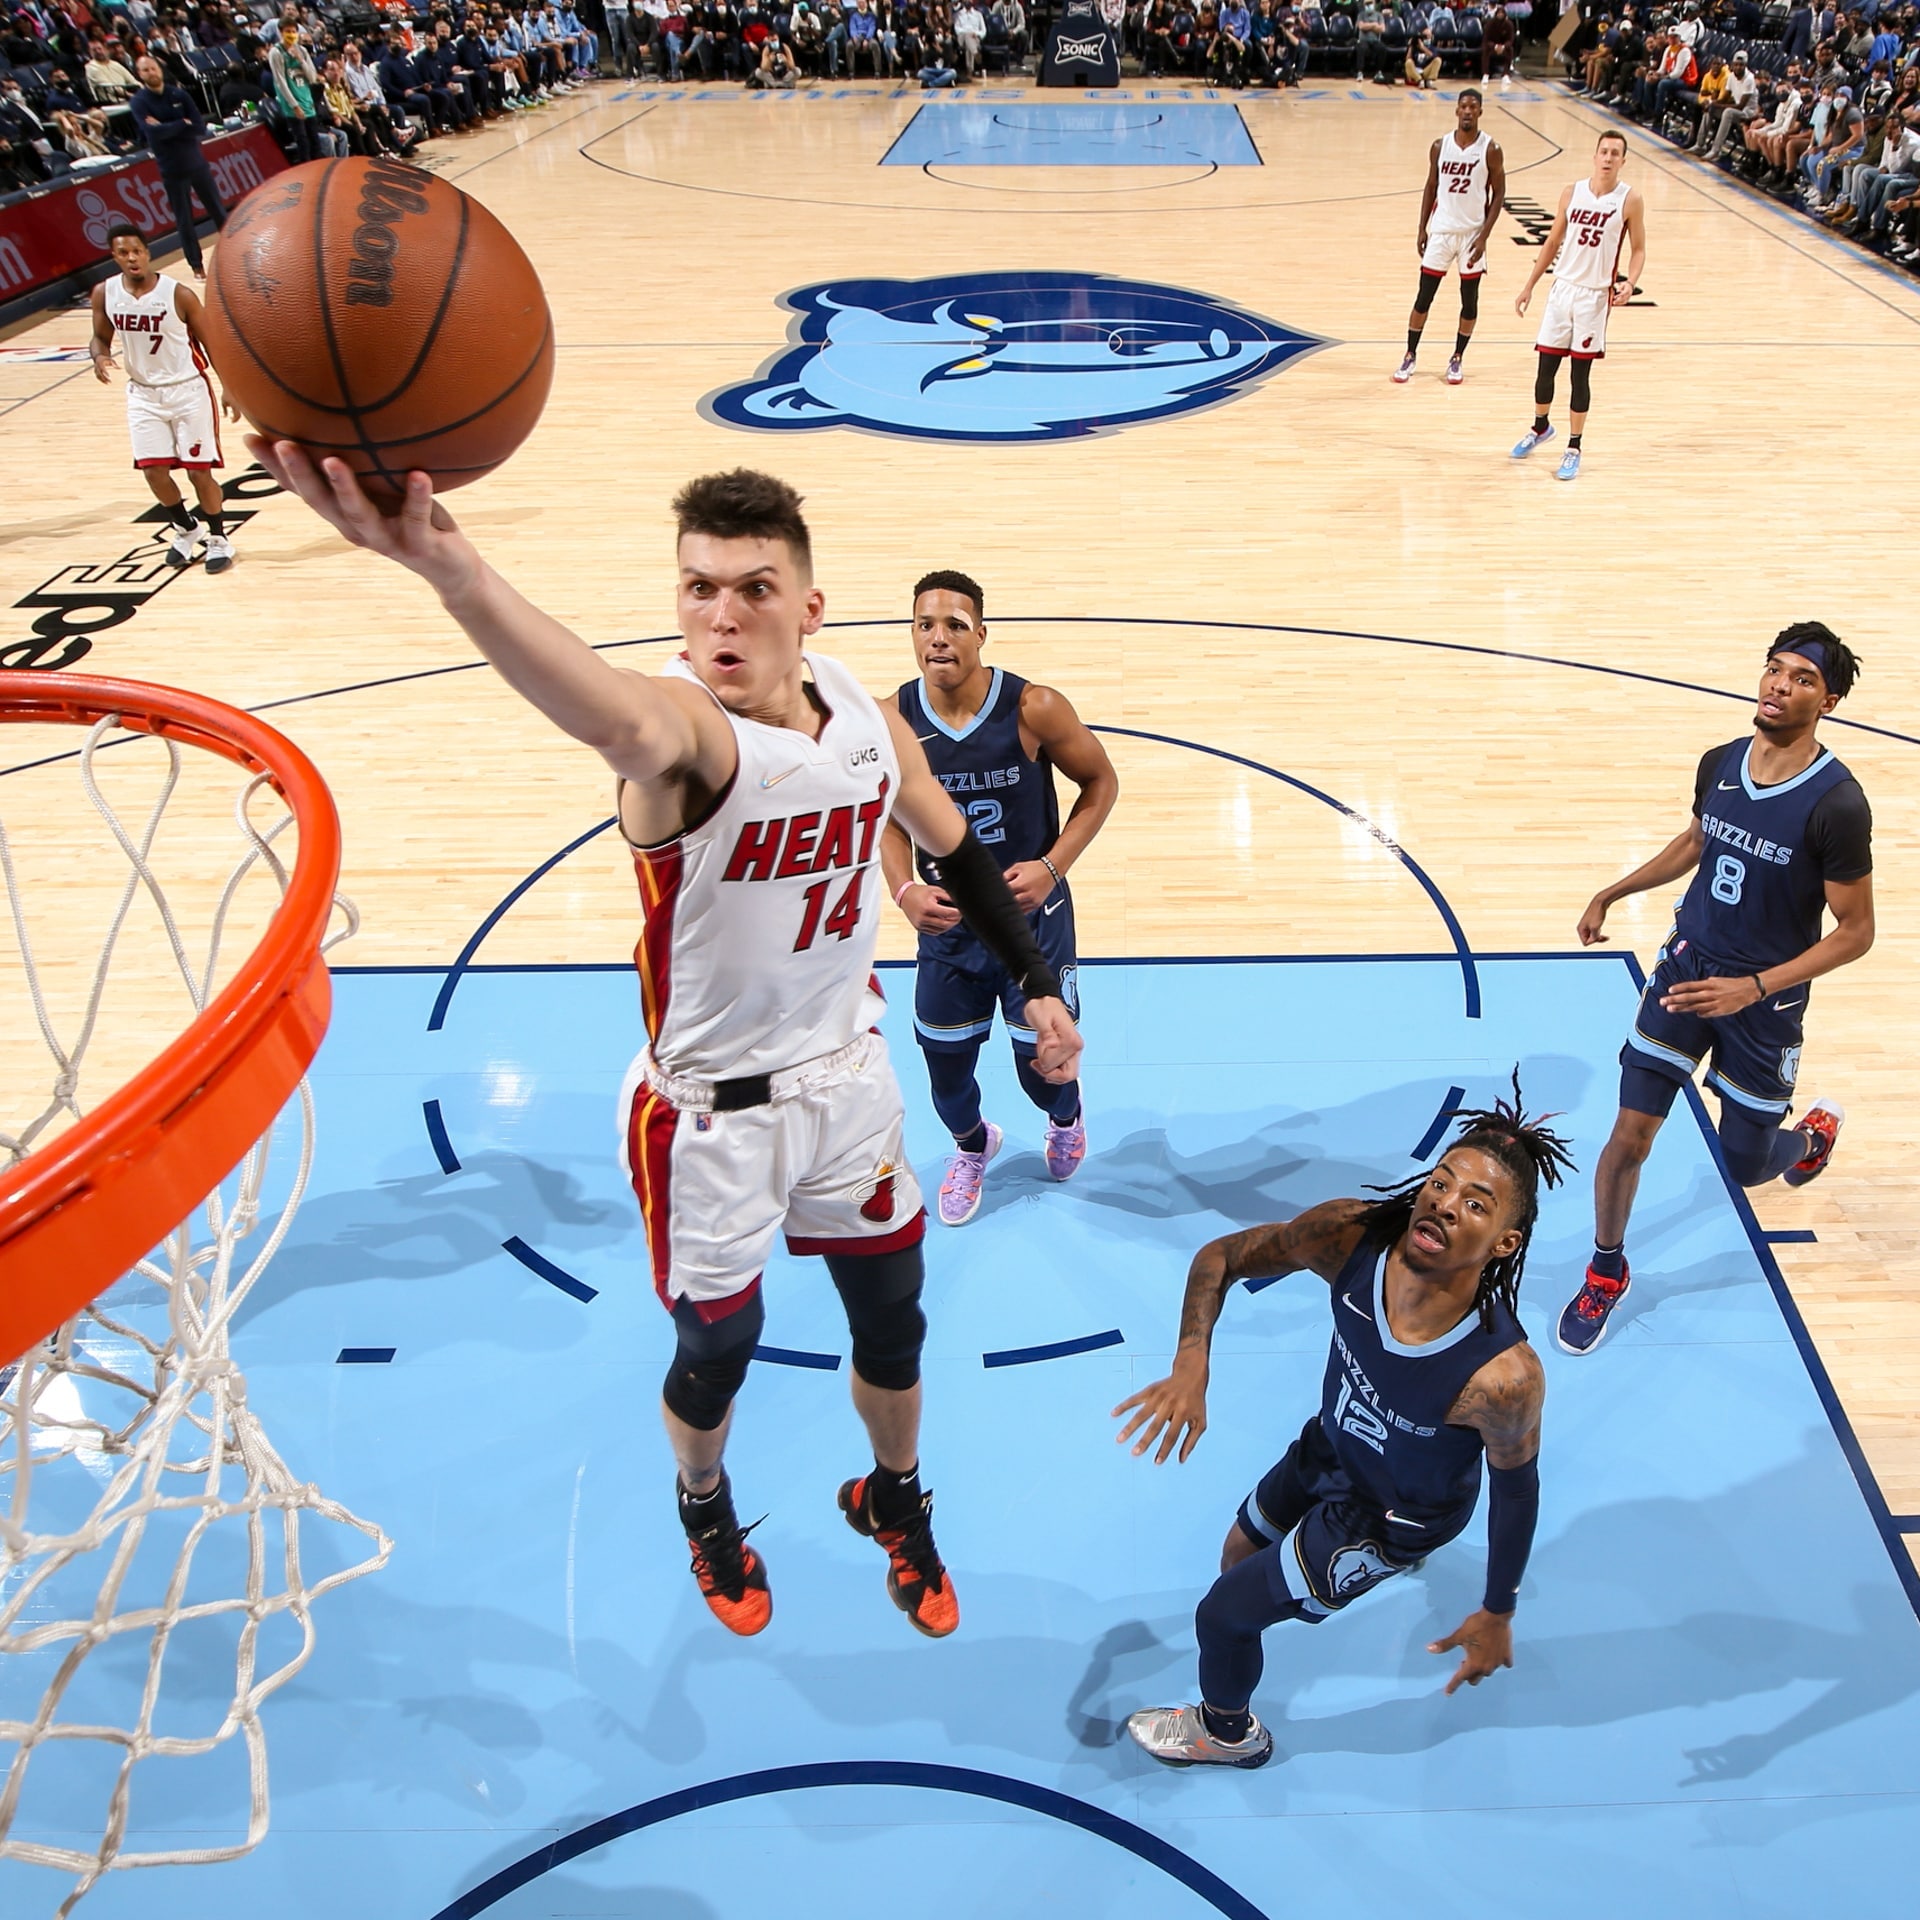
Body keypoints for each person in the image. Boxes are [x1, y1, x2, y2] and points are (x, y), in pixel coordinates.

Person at [242, 448, 1083, 1643]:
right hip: (711, 1114)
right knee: (720, 1346)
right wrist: (455, 572)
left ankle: (893, 1496)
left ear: (809, 607)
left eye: (750, 588)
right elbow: (607, 701)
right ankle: (704, 1502)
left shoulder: (859, 710)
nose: (720, 615)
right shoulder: (684, 736)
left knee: (894, 1324)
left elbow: (950, 848)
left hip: (848, 1078)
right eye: (697, 589)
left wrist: (1038, 987)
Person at [1115, 1084, 1571, 1769]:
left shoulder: (1502, 1380)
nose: (1446, 1202)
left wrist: (1497, 1608)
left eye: (1475, 1204)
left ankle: (1228, 1733)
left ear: (1505, 1242)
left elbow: (1517, 1492)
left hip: (1395, 1515)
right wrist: (1190, 1365)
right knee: (1235, 1560)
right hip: (1331, 1444)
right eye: (1442, 1182)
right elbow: (1222, 1258)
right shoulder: (1347, 1237)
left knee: (1222, 1615)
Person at [1560, 627, 1872, 1354]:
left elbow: (1855, 931)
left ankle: (1804, 1143)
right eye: (1772, 670)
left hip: (1763, 1001)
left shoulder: (1838, 804)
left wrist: (1753, 988)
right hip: (1686, 969)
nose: (1777, 685)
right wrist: (1614, 891)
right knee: (1628, 1137)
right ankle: (1607, 1270)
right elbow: (1700, 841)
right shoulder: (1722, 761)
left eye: (1798, 678)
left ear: (1827, 700)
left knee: (1740, 1163)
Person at [881, 571, 1118, 1227]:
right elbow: (888, 821)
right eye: (926, 624)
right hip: (948, 937)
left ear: (981, 634)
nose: (939, 638)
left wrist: (1051, 864)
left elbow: (1100, 782)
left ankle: (1066, 1120)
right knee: (947, 1082)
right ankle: (973, 1146)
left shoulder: (1032, 707)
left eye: (955, 624)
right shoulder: (893, 719)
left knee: (1043, 1071)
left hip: (1033, 929)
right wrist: (903, 891)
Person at [91, 223, 238, 574]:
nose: (131, 258)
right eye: (123, 253)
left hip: (187, 390)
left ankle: (219, 538)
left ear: (147, 252)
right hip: (143, 393)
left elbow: (211, 343)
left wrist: (229, 386)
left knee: (198, 473)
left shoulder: (179, 294)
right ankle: (187, 529)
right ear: (115, 257)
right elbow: (98, 336)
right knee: (153, 472)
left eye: (136, 251)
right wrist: (98, 356)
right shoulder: (105, 292)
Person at [1510, 130, 1647, 482]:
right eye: (1603, 151)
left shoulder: (1630, 200)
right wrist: (1529, 286)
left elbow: (1639, 249)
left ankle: (1573, 447)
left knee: (1579, 375)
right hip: (1562, 290)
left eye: (1615, 153)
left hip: (1594, 297)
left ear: (1623, 160)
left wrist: (1629, 283)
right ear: (1594, 155)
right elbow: (1553, 240)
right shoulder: (1572, 192)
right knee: (1545, 369)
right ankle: (1540, 427)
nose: (1608, 158)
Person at [1394, 88, 1506, 387]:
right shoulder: (1439, 146)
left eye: (1473, 107)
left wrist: (1484, 237)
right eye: (1463, 107)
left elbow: (1499, 195)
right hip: (1442, 231)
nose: (1468, 111)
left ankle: (1457, 357)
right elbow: (1430, 185)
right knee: (1423, 297)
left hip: (1472, 234)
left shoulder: (1491, 149)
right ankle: (1410, 354)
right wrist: (1422, 227)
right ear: (1456, 111)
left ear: (1480, 111)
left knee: (1469, 301)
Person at [125, 54, 226, 281]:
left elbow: (199, 127)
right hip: (172, 169)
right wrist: (182, 124)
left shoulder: (178, 94)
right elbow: (151, 132)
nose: (151, 72)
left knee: (219, 212)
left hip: (196, 163)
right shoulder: (139, 101)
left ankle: (235, 250)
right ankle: (196, 266)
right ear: (139, 75)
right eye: (145, 70)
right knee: (184, 221)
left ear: (160, 69)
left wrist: (167, 128)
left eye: (153, 67)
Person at [268, 19, 322, 161]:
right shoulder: (276, 53)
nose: (291, 35)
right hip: (292, 103)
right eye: (288, 32)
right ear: (280, 32)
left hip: (307, 99)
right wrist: (295, 106)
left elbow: (312, 77)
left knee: (315, 140)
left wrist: (301, 60)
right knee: (303, 142)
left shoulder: (302, 50)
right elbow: (280, 82)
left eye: (293, 31)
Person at [1406, 17, 1440, 86]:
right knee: (1408, 62)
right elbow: (1408, 59)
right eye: (1425, 36)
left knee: (1438, 60)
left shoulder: (1431, 46)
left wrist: (1423, 48)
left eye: (1429, 36)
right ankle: (1419, 80)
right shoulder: (1415, 45)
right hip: (1415, 71)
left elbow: (1432, 56)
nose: (1427, 38)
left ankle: (1429, 80)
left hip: (1425, 71)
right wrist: (1411, 45)